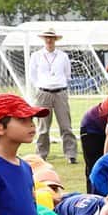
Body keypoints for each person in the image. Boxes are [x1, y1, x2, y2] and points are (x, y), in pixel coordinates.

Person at [26, 29, 76, 164]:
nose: (49, 40)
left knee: (66, 125)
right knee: (43, 127)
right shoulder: (36, 55)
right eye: (47, 38)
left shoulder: (62, 56)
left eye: (51, 38)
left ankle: (70, 154)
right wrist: (41, 85)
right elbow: (32, 75)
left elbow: (67, 74)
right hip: (43, 93)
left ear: (55, 40)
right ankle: (41, 155)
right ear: (44, 39)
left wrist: (58, 83)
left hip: (60, 92)